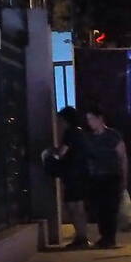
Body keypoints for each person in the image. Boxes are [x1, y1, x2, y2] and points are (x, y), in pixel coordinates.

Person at [82, 107, 128, 249]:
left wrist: (124, 178)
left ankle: (109, 237)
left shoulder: (113, 136)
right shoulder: (89, 137)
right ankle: (105, 236)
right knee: (100, 208)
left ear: (100, 119)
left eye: (92, 119)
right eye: (88, 119)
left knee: (110, 208)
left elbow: (122, 157)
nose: (89, 122)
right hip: (96, 177)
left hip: (111, 176)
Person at [53, 106, 90, 248]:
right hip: (81, 174)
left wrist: (51, 152)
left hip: (72, 175)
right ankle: (82, 236)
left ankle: (81, 237)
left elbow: (62, 152)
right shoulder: (81, 133)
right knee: (79, 207)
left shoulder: (70, 133)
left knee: (73, 206)